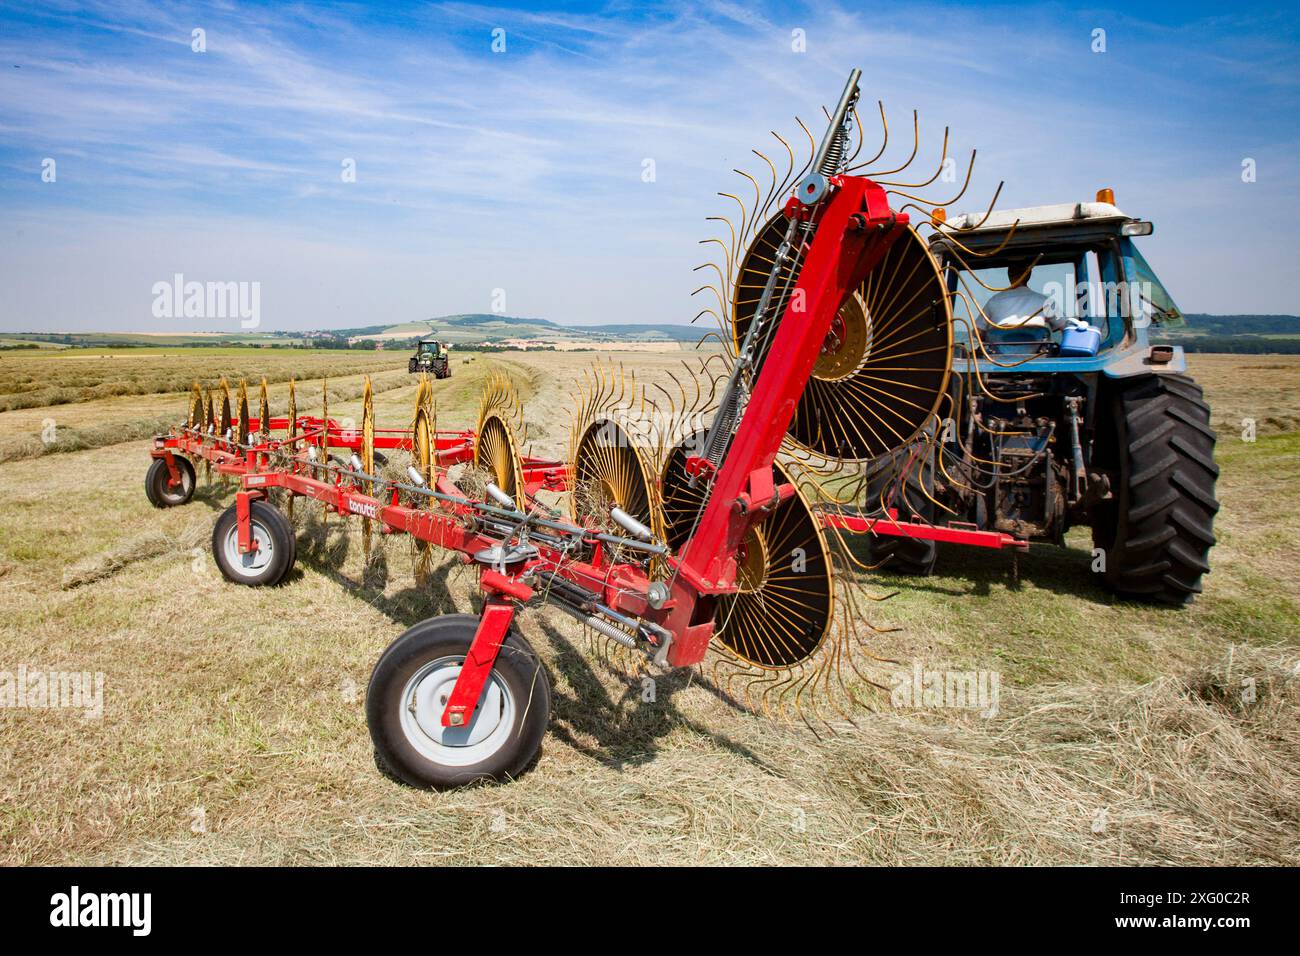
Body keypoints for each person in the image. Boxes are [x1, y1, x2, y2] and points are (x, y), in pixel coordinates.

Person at [977, 257, 1070, 353]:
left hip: (999, 360)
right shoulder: (1046, 301)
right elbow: (1067, 329)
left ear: (1009, 275)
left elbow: (977, 332)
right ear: (1029, 275)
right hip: (1037, 357)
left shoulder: (994, 300)